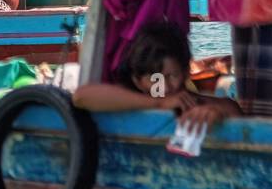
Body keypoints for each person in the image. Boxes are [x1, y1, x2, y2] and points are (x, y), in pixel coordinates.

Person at [73, 22, 241, 128]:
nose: (165, 87)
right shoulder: (129, 100)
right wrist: (158, 103)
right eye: (155, 79)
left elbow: (232, 109)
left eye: (172, 76)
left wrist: (214, 113)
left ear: (185, 72)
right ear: (137, 81)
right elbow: (81, 96)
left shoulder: (197, 104)